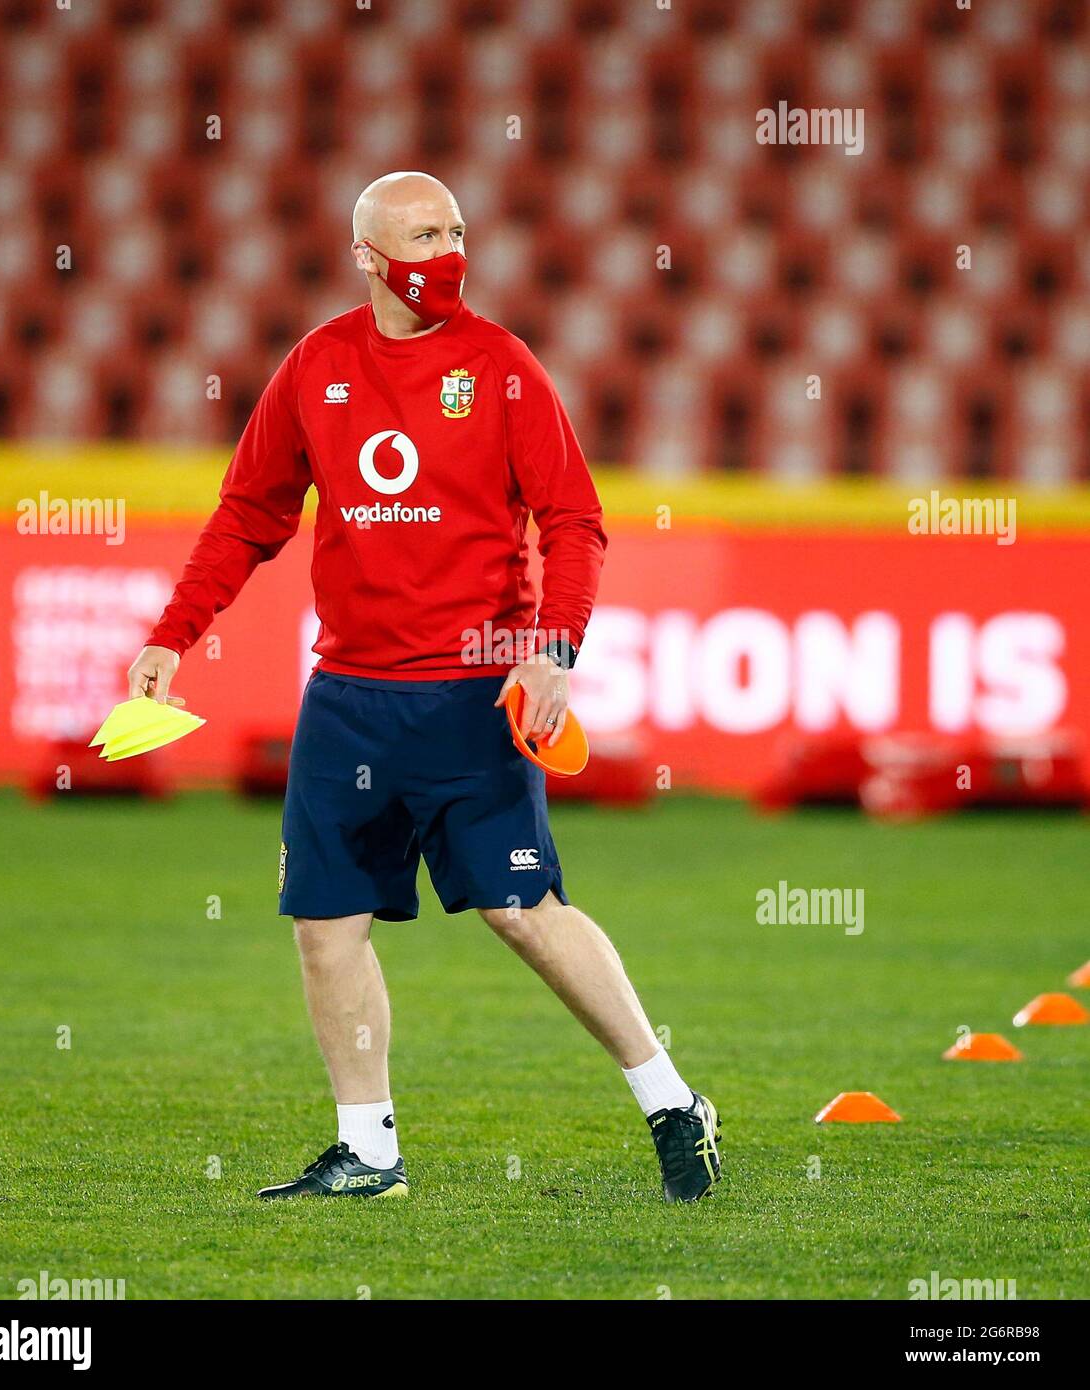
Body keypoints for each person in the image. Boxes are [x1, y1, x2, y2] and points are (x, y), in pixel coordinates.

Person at [127, 171, 721, 1204]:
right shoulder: (318, 366)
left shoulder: (501, 368)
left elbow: (573, 521)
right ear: (366, 256)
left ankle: (673, 1101)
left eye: (454, 229)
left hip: (473, 692)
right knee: (325, 926)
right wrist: (173, 635)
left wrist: (553, 648)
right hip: (349, 696)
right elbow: (245, 517)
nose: (446, 250)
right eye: (420, 234)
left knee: (523, 909)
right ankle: (369, 1151)